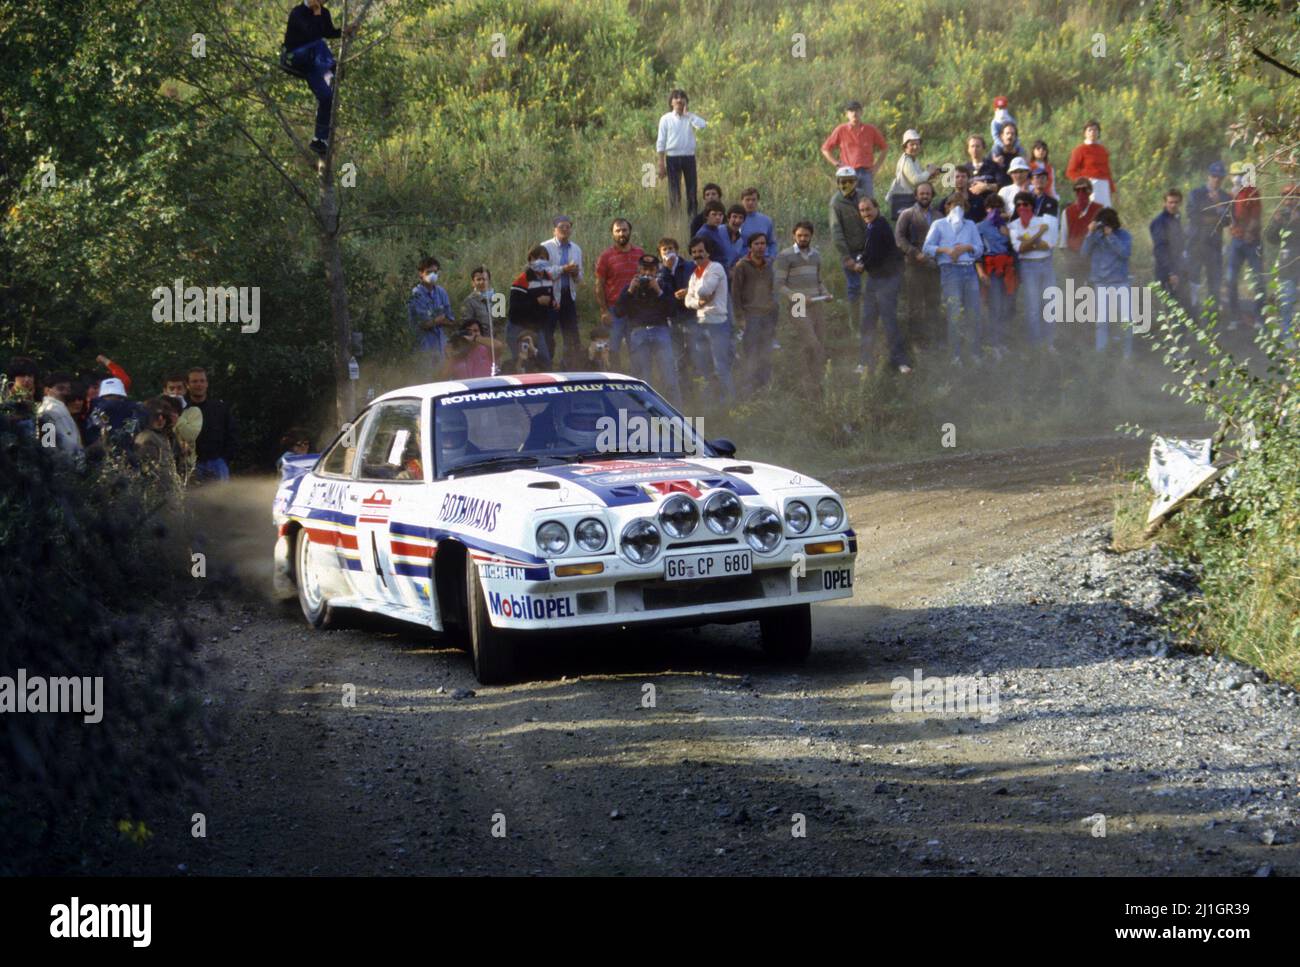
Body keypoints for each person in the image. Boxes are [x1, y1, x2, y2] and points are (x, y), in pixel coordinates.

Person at [282, 0, 357, 157]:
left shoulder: (324, 12)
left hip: (312, 64)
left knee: (326, 97)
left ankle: (319, 140)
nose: (323, 2)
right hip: (293, 58)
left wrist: (344, 31)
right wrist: (316, 13)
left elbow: (328, 32)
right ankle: (332, 68)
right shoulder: (298, 12)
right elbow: (313, 34)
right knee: (319, 44)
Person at [923, 196, 985, 364]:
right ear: (947, 206)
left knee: (974, 312)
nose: (958, 208)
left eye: (962, 205)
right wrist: (946, 250)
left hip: (969, 269)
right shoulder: (939, 225)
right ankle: (955, 356)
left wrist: (966, 247)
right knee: (954, 312)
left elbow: (980, 249)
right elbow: (927, 247)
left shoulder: (970, 225)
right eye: (954, 204)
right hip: (950, 271)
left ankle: (975, 353)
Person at [855, 197, 909, 374]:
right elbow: (868, 250)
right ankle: (864, 362)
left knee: (888, 320)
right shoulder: (872, 226)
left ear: (877, 208)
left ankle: (900, 361)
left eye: (868, 209)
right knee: (868, 321)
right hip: (874, 279)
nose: (865, 213)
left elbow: (875, 254)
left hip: (887, 279)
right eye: (862, 210)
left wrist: (861, 264)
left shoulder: (880, 226)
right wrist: (862, 259)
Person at [773, 222, 831, 385]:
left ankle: (816, 378)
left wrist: (825, 293)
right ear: (794, 236)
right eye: (799, 235)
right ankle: (807, 379)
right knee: (812, 342)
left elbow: (819, 281)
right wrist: (797, 297)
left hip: (816, 305)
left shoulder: (816, 255)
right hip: (798, 305)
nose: (803, 238)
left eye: (806, 235)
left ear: (811, 236)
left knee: (818, 341)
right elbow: (779, 284)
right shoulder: (785, 255)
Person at [616, 253, 680, 400]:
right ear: (638, 270)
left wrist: (659, 291)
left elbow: (673, 311)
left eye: (651, 270)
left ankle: (676, 417)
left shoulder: (663, 286)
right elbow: (619, 312)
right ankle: (643, 416)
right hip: (638, 332)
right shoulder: (630, 287)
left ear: (657, 270)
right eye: (644, 270)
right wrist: (630, 291)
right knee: (641, 379)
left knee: (669, 377)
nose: (647, 273)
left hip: (660, 330)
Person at [679, 235, 733, 404]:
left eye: (701, 251)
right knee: (703, 368)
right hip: (701, 324)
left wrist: (696, 294)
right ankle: (709, 405)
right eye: (694, 252)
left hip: (718, 324)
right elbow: (688, 302)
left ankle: (728, 404)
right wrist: (699, 302)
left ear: (708, 251)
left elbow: (705, 289)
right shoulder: (694, 275)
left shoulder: (716, 268)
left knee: (720, 367)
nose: (697, 255)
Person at [1007, 191, 1060, 351]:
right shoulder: (1013, 225)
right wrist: (1039, 234)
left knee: (1050, 305)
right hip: (1028, 266)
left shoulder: (1045, 221)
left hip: (1046, 264)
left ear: (1033, 206)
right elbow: (1020, 249)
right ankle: (1035, 346)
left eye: (1026, 204)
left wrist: (1027, 240)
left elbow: (1048, 245)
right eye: (1019, 205)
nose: (1022, 207)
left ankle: (1050, 343)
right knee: (1033, 306)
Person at [1082, 208, 1135, 357]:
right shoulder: (1095, 236)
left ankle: (1127, 356)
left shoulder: (1124, 235)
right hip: (1101, 282)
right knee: (1102, 322)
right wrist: (1090, 233)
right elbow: (1084, 253)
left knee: (1126, 321)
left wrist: (1111, 236)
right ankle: (1101, 356)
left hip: (1121, 282)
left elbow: (1125, 253)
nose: (1104, 227)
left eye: (1107, 224)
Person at [730, 231, 778, 391]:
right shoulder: (742, 266)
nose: (760, 247)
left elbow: (773, 288)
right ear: (750, 247)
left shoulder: (770, 264)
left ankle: (765, 387)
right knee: (751, 354)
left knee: (766, 352)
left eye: (763, 243)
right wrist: (740, 318)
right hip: (751, 317)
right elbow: (735, 294)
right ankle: (749, 389)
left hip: (768, 315)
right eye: (756, 244)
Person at [595, 218, 645, 368]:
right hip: (614, 310)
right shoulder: (605, 256)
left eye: (624, 230)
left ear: (630, 232)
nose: (621, 233)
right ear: (612, 234)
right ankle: (613, 381)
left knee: (637, 350)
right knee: (611, 350)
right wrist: (604, 311)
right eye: (618, 231)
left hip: (635, 311)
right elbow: (599, 285)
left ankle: (636, 382)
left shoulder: (640, 253)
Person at [895, 182, 940, 347]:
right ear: (916, 196)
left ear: (932, 195)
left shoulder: (939, 216)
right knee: (915, 304)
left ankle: (934, 337)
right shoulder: (907, 214)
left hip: (934, 266)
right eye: (922, 193)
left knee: (933, 302)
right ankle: (916, 340)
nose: (925, 196)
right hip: (914, 265)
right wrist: (915, 253)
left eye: (928, 193)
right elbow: (899, 238)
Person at [1186, 162, 1232, 316]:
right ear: (1208, 176)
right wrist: (1216, 216)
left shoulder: (1225, 197)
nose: (1216, 180)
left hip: (1214, 246)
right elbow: (1193, 216)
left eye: (1220, 177)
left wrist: (1218, 204)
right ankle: (1192, 315)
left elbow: (1227, 221)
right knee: (1194, 281)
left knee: (1214, 283)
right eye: (1214, 176)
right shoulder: (1196, 193)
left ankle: (1213, 317)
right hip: (1196, 243)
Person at [658, 236, 704, 385]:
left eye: (671, 249)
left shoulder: (689, 266)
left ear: (677, 251)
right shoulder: (660, 271)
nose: (668, 252)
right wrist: (666, 269)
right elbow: (662, 292)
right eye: (665, 250)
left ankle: (700, 384)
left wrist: (687, 291)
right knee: (677, 356)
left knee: (695, 351)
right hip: (672, 318)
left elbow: (700, 285)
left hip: (689, 315)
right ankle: (684, 388)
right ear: (660, 254)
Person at [656, 89, 707, 220]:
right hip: (672, 158)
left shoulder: (690, 118)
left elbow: (703, 126)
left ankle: (693, 219)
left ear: (685, 101)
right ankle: (675, 220)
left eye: (682, 97)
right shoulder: (665, 119)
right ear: (671, 102)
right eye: (676, 98)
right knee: (674, 191)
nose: (679, 100)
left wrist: (689, 114)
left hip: (689, 157)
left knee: (692, 189)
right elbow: (661, 141)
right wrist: (661, 163)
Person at [820, 100, 889, 199]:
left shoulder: (870, 129)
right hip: (847, 172)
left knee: (867, 203)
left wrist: (877, 167)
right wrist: (837, 164)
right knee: (848, 203)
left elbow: (884, 147)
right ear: (847, 114)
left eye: (857, 110)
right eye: (851, 111)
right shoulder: (841, 130)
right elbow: (825, 149)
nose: (854, 113)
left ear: (861, 112)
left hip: (866, 172)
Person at [540, 215, 584, 368]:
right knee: (547, 334)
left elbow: (580, 278)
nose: (565, 229)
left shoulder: (576, 249)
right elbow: (541, 273)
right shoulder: (545, 247)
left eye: (568, 227)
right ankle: (546, 367)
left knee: (571, 335)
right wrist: (563, 269)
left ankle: (569, 368)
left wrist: (574, 273)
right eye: (561, 227)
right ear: (554, 230)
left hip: (568, 295)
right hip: (550, 296)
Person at [1226, 164, 1264, 327]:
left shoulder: (1252, 191)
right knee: (1231, 279)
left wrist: (1249, 232)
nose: (1237, 177)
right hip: (1236, 242)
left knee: (1258, 279)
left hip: (1252, 241)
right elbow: (1228, 218)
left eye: (1240, 174)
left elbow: (1256, 216)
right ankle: (1235, 316)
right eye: (1234, 174)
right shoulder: (1229, 194)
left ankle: (1260, 318)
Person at [830, 166, 868, 331]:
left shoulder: (863, 196)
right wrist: (847, 258)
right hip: (850, 251)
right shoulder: (836, 203)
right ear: (838, 182)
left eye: (851, 181)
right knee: (854, 287)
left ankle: (872, 322)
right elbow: (836, 232)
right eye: (843, 181)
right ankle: (856, 326)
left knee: (876, 286)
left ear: (856, 181)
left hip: (867, 248)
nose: (847, 184)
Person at [976, 204, 1015, 357]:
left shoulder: (1006, 227)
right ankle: (993, 344)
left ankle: (1001, 342)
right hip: (991, 268)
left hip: (1007, 268)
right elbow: (978, 249)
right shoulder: (980, 226)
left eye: (999, 209)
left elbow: (1014, 247)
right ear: (986, 209)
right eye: (991, 208)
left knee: (1005, 307)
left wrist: (1009, 234)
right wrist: (981, 271)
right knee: (995, 306)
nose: (995, 212)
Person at [185, 367, 237, 482]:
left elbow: (232, 434)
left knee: (221, 499)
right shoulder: (182, 410)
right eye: (194, 381)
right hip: (192, 466)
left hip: (217, 463)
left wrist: (225, 459)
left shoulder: (220, 408)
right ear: (188, 385)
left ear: (207, 384)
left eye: (202, 381)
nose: (199, 384)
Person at [508, 246, 557, 366]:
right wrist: (536, 301)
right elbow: (514, 309)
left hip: (536, 326)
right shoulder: (521, 281)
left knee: (544, 360)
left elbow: (548, 298)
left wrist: (552, 303)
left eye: (545, 258)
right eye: (539, 258)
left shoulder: (548, 278)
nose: (542, 261)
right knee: (521, 361)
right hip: (518, 326)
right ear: (531, 259)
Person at [1264, 183, 1300, 340]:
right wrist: (1277, 222)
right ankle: (1288, 338)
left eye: (1293, 197)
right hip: (1287, 264)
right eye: (1286, 197)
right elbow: (1271, 238)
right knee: (1286, 302)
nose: (1289, 201)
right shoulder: (1281, 215)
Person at [407, 256, 455, 371]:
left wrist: (437, 320)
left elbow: (450, 320)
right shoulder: (416, 294)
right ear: (421, 274)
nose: (432, 275)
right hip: (424, 348)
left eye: (435, 272)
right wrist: (438, 320)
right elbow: (423, 324)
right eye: (429, 272)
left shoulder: (441, 292)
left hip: (441, 346)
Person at [888, 130, 939, 220]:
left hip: (911, 199)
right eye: (912, 144)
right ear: (905, 146)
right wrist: (928, 172)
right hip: (905, 200)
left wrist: (931, 175)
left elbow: (920, 181)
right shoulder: (906, 161)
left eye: (917, 144)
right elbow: (915, 180)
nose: (915, 147)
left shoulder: (914, 160)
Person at [1150, 189, 1188, 308]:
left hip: (1178, 268)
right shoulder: (1160, 222)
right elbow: (1160, 249)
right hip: (1166, 272)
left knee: (1181, 307)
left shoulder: (1176, 218)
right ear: (1165, 203)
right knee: (1171, 309)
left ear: (1180, 203)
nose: (1173, 205)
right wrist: (1170, 273)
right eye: (1170, 202)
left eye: (1176, 202)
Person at [134, 398, 181, 494]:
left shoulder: (166, 436)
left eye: (164, 416)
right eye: (155, 416)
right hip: (156, 494)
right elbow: (150, 473)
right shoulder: (147, 438)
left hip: (169, 491)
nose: (160, 419)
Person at [1065, 120, 1115, 208]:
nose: (1093, 132)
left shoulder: (1103, 150)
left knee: (1105, 212)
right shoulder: (1080, 150)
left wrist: (1111, 188)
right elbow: (1071, 171)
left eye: (1095, 130)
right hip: (1090, 186)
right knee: (1091, 212)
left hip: (1104, 186)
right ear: (1085, 133)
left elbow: (1107, 171)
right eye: (1090, 130)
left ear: (1099, 133)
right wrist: (1084, 183)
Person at [1062, 177, 1104, 282]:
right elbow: (1063, 242)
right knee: (1076, 294)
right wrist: (1071, 259)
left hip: (1094, 258)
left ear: (1090, 191)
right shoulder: (1067, 212)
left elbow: (1104, 236)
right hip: (1074, 258)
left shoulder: (1099, 209)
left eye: (1084, 190)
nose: (1081, 193)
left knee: (1095, 293)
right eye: (1078, 190)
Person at [35, 372, 82, 462]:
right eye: (60, 389)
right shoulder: (48, 410)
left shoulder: (61, 408)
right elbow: (48, 445)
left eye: (68, 389)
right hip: (62, 466)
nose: (65, 392)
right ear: (47, 390)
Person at [460, 266, 497, 355]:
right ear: (473, 283)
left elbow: (501, 322)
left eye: (485, 279)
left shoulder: (497, 298)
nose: (482, 282)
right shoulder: (469, 302)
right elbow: (467, 327)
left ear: (489, 281)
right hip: (478, 345)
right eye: (478, 279)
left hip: (495, 344)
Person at [739, 188, 777, 253]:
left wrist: (771, 257)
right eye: (747, 200)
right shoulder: (736, 221)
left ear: (758, 201)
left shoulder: (766, 220)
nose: (750, 203)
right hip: (743, 260)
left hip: (764, 259)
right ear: (742, 201)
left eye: (753, 200)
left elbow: (772, 243)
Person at [990, 122, 1024, 188]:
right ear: (1001, 136)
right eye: (1007, 133)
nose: (1010, 136)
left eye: (1012, 134)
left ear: (1015, 137)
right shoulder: (994, 155)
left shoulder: (1019, 156)